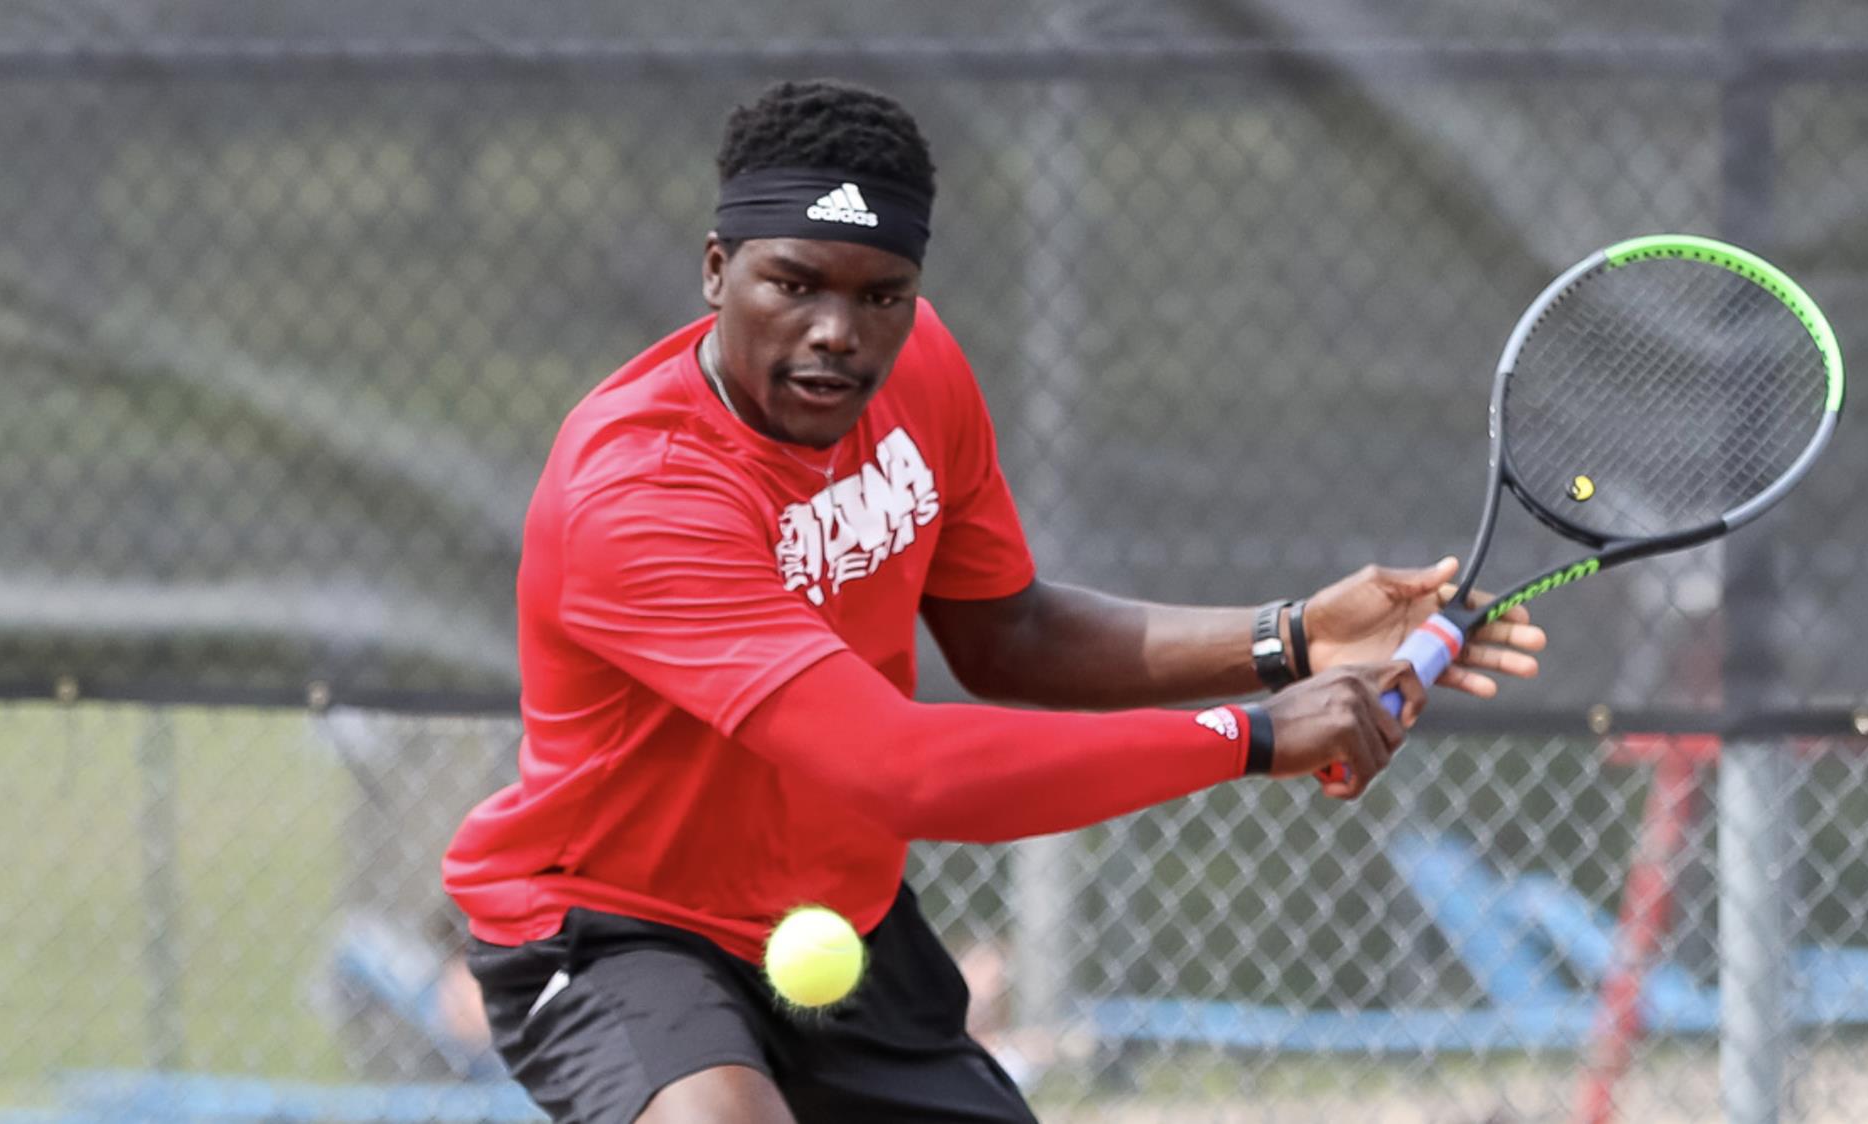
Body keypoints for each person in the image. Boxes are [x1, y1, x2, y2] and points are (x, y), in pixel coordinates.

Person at [442, 78, 1545, 1124]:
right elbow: (903, 767)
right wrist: (1250, 737)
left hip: (841, 911)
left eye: (880, 294)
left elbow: (1007, 632)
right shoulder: (641, 494)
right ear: (717, 270)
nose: (838, 331)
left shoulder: (921, 368)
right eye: (794, 283)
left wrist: (1291, 637)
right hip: (616, 922)